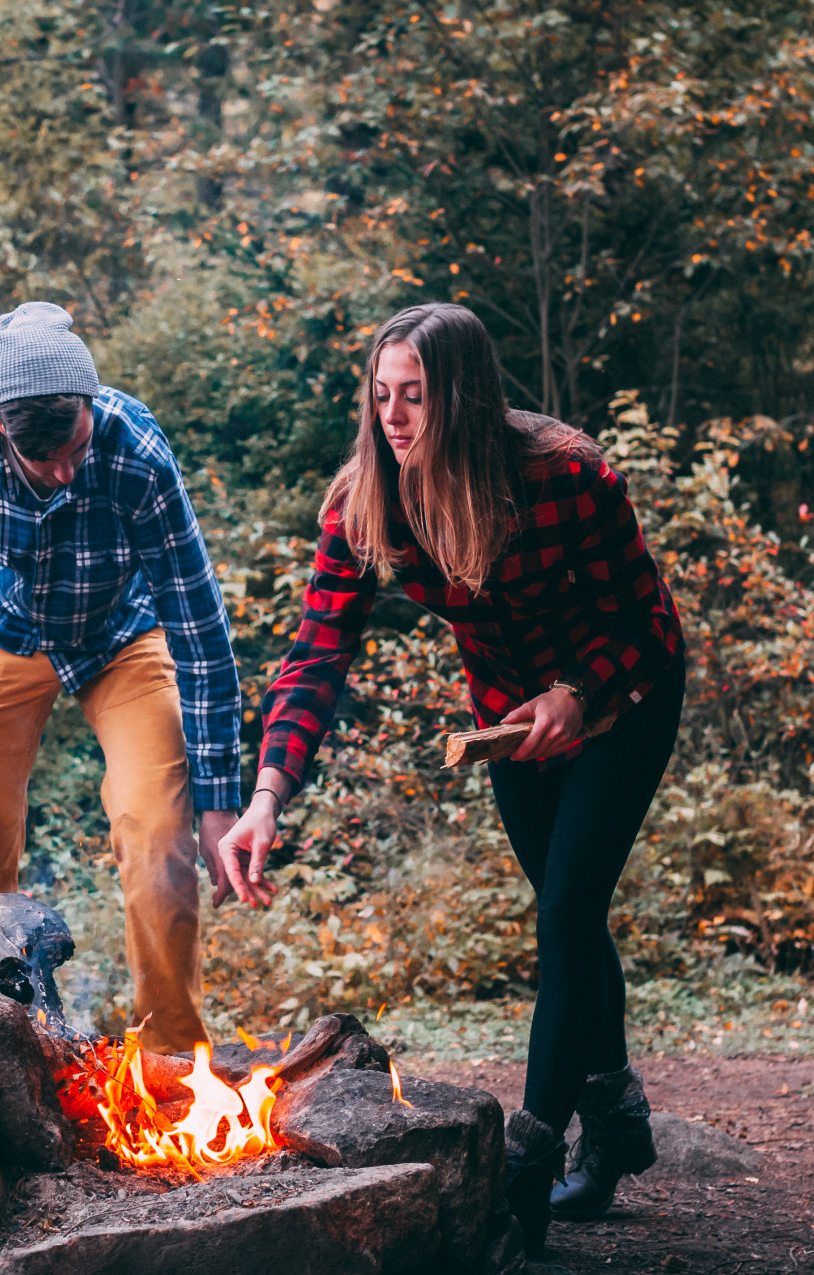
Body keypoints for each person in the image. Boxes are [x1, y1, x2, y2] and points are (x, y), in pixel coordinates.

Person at [213, 302, 686, 1255]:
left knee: (563, 917)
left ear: (461, 397)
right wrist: (265, 797)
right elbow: (315, 655)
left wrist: (577, 692)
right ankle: (619, 1118)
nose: (395, 417)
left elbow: (645, 622)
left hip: (623, 700)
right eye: (382, 396)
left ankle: (529, 1165)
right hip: (507, 723)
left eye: (416, 397)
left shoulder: (569, 474)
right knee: (571, 909)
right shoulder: (364, 501)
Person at [0, 301, 242, 1056]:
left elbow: (200, 629)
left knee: (158, 825)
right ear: (3, 428)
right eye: (46, 460)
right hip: (0, 629)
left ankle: (172, 1057)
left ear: (88, 404)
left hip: (120, 634)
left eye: (75, 444)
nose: (66, 470)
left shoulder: (136, 449)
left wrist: (218, 802)